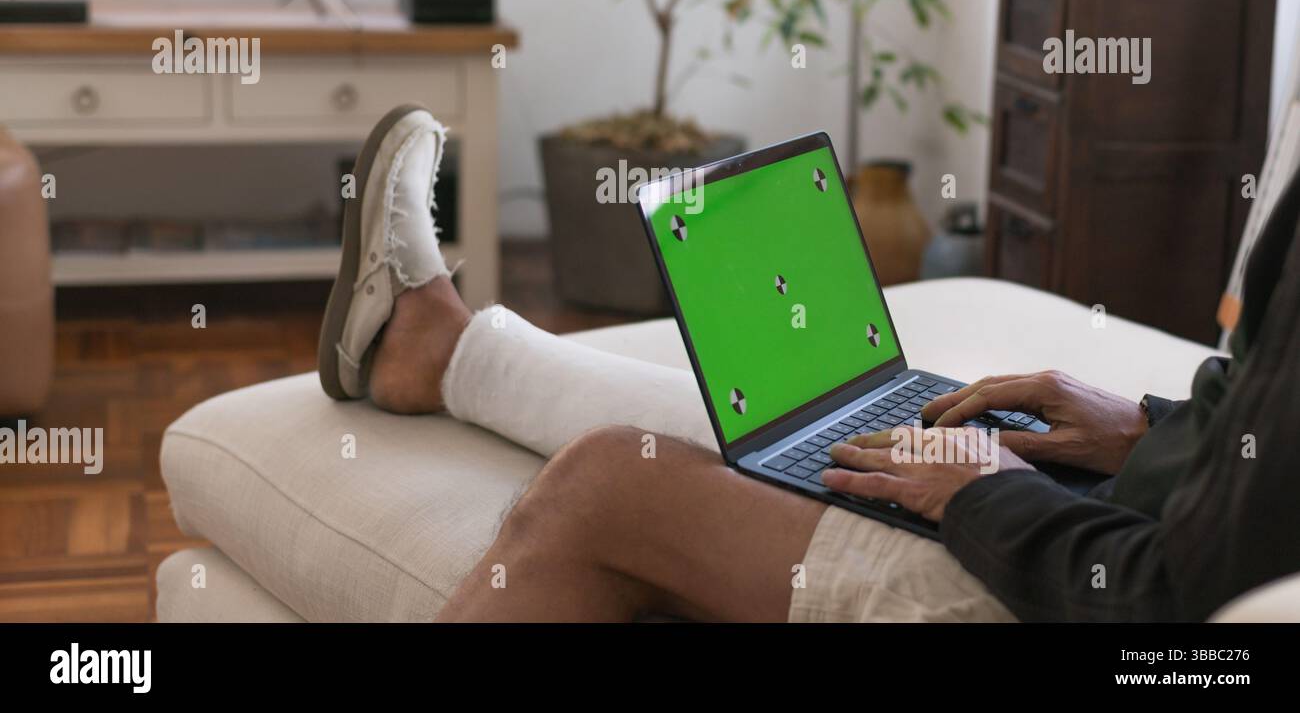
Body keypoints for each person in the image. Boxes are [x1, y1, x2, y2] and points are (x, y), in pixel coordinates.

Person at [318, 107, 1300, 622]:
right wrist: (1153, 429)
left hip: (1101, 592)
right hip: (1147, 516)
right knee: (796, 424)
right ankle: (439, 351)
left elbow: (1165, 608)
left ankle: (438, 348)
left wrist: (984, 495)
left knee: (605, 486)